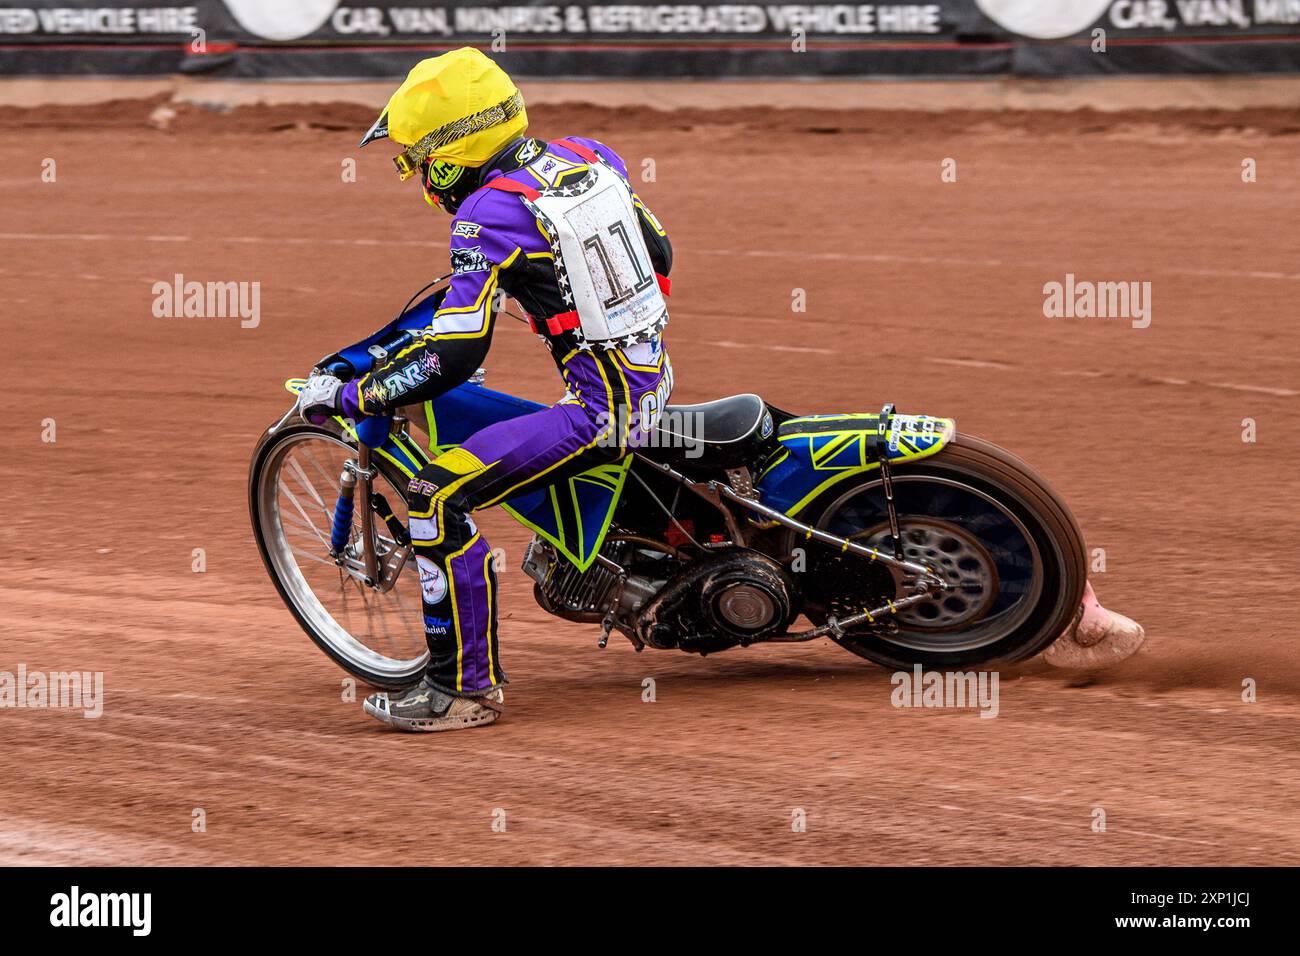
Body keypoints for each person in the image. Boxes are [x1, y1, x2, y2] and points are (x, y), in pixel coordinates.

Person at [298, 48, 674, 732]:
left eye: (416, 159)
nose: (418, 176)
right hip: (654, 378)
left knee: (434, 495)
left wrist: (356, 398)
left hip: (602, 413)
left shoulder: (484, 217)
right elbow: (660, 252)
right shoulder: (588, 156)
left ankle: (461, 691)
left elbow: (453, 354)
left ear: (450, 155)